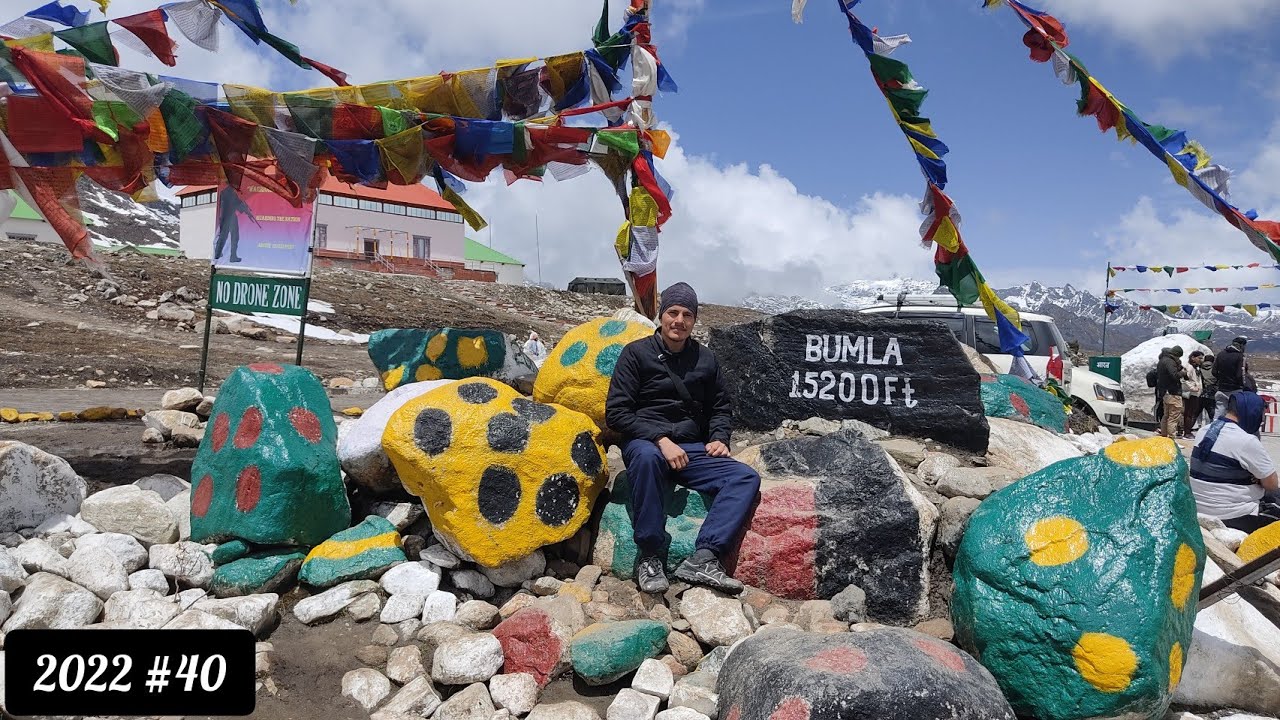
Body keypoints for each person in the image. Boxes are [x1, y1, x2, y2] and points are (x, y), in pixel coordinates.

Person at [605, 282, 761, 595]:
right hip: (646, 443)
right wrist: (660, 439)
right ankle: (649, 555)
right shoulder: (635, 355)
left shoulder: (706, 359)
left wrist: (719, 438)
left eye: (687, 314)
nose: (679, 320)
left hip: (691, 448)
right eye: (673, 312)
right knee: (648, 459)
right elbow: (617, 413)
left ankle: (704, 558)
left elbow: (720, 407)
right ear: (661, 316)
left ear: (694, 320)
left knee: (744, 477)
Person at [1190, 391, 1280, 533]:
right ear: (1251, 412)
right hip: (1232, 515)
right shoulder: (1246, 441)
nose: (1261, 421)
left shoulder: (1204, 431)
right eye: (1260, 415)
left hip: (1198, 507)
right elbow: (1272, 484)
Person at [213, 185, 258, 263]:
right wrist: (245, 210)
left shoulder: (227, 192)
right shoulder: (229, 193)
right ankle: (230, 256)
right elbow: (236, 203)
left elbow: (237, 203)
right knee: (233, 237)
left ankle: (220, 254)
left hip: (227, 216)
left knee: (225, 237)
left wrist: (246, 210)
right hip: (229, 217)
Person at [1156, 346, 1188, 438]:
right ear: (1176, 355)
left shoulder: (1162, 360)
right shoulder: (1170, 362)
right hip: (1173, 392)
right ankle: (1171, 438)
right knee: (1173, 416)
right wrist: (1183, 373)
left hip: (1165, 392)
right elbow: (1174, 375)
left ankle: (1164, 435)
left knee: (1166, 416)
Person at [1213, 337, 1249, 418]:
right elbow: (1240, 374)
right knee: (1234, 413)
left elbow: (1214, 371)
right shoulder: (1240, 356)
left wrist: (1221, 379)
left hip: (1221, 388)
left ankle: (1215, 428)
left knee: (1219, 412)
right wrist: (1242, 385)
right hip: (1235, 389)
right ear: (1241, 345)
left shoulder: (1221, 354)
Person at [1181, 351, 1205, 438]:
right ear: (1193, 358)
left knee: (1191, 412)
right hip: (1190, 393)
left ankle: (1187, 430)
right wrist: (1193, 388)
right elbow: (1185, 380)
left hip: (1195, 393)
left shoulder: (1196, 368)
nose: (1201, 360)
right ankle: (1187, 432)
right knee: (1189, 413)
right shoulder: (1189, 367)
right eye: (1199, 358)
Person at [1200, 353, 1217, 426]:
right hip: (1212, 391)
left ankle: (1198, 424)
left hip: (1200, 390)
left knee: (1198, 410)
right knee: (1211, 409)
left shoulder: (1199, 368)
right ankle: (1209, 424)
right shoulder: (1215, 368)